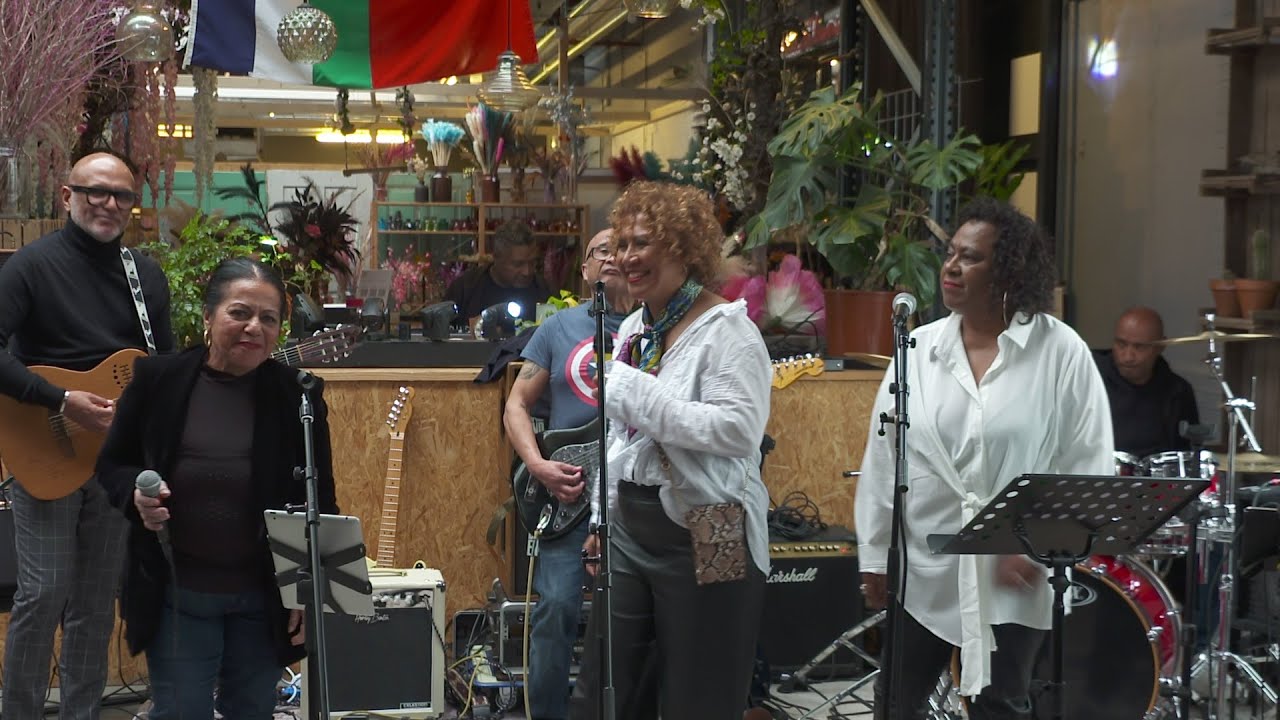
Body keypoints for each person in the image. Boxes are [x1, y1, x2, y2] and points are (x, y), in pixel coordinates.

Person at [855, 197, 1114, 719]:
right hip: (924, 566)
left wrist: (1041, 546)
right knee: (894, 706)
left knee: (1002, 705)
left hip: (1013, 567)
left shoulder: (1060, 351)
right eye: (951, 253)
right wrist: (875, 554)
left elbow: (1086, 460)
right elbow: (885, 459)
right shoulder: (916, 351)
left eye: (970, 257)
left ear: (1008, 272)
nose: (951, 267)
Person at [95, 258, 339, 720]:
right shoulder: (158, 380)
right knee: (181, 710)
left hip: (262, 594)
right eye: (240, 312)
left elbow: (320, 498)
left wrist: (310, 590)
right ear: (209, 317)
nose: (254, 327)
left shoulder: (298, 395)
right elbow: (112, 464)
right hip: (178, 594)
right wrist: (136, 494)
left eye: (269, 319)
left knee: (250, 710)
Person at [569, 181, 772, 720]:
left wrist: (635, 391)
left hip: (715, 526)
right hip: (631, 532)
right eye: (621, 247)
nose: (626, 259)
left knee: (699, 697)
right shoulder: (637, 328)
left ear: (682, 249)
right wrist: (599, 516)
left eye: (642, 245)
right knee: (606, 691)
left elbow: (738, 431)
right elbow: (622, 441)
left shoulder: (729, 332)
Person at [0, 151, 174, 718]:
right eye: (95, 191)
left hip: (113, 461)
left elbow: (164, 363)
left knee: (97, 603)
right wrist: (61, 401)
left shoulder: (144, 274)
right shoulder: (29, 267)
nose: (108, 203)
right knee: (45, 591)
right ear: (67, 195)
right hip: (44, 444)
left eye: (121, 195)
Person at [503, 228, 635, 720]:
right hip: (567, 496)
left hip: (631, 499)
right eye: (602, 250)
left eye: (621, 249)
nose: (612, 258)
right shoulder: (558, 328)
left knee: (630, 619)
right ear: (585, 268)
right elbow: (516, 404)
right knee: (554, 609)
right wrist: (537, 464)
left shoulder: (656, 329)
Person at [1092, 306, 1200, 458]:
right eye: (1121, 344)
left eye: (1139, 347)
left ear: (1160, 347)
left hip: (1154, 479)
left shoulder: (1178, 391)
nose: (1128, 356)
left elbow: (1184, 455)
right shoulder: (1091, 375)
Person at [445, 219, 550, 322]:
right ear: (496, 257)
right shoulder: (465, 290)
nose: (527, 272)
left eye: (532, 262)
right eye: (518, 264)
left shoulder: (545, 292)